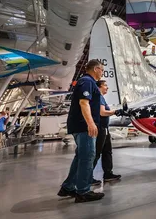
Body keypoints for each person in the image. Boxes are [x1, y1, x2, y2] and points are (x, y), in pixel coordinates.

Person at [57, 59, 105, 203]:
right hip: (83, 127)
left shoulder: (86, 81)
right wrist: (90, 123)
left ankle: (68, 187)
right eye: (101, 69)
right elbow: (84, 103)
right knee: (87, 157)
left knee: (80, 157)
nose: (102, 72)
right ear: (96, 69)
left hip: (80, 126)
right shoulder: (87, 81)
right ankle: (83, 191)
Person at [91, 80, 121, 185]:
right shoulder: (98, 97)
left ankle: (108, 173)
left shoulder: (101, 98)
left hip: (105, 128)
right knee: (97, 153)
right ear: (99, 87)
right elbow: (102, 113)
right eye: (105, 85)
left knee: (107, 151)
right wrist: (115, 112)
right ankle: (88, 176)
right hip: (100, 129)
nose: (107, 87)